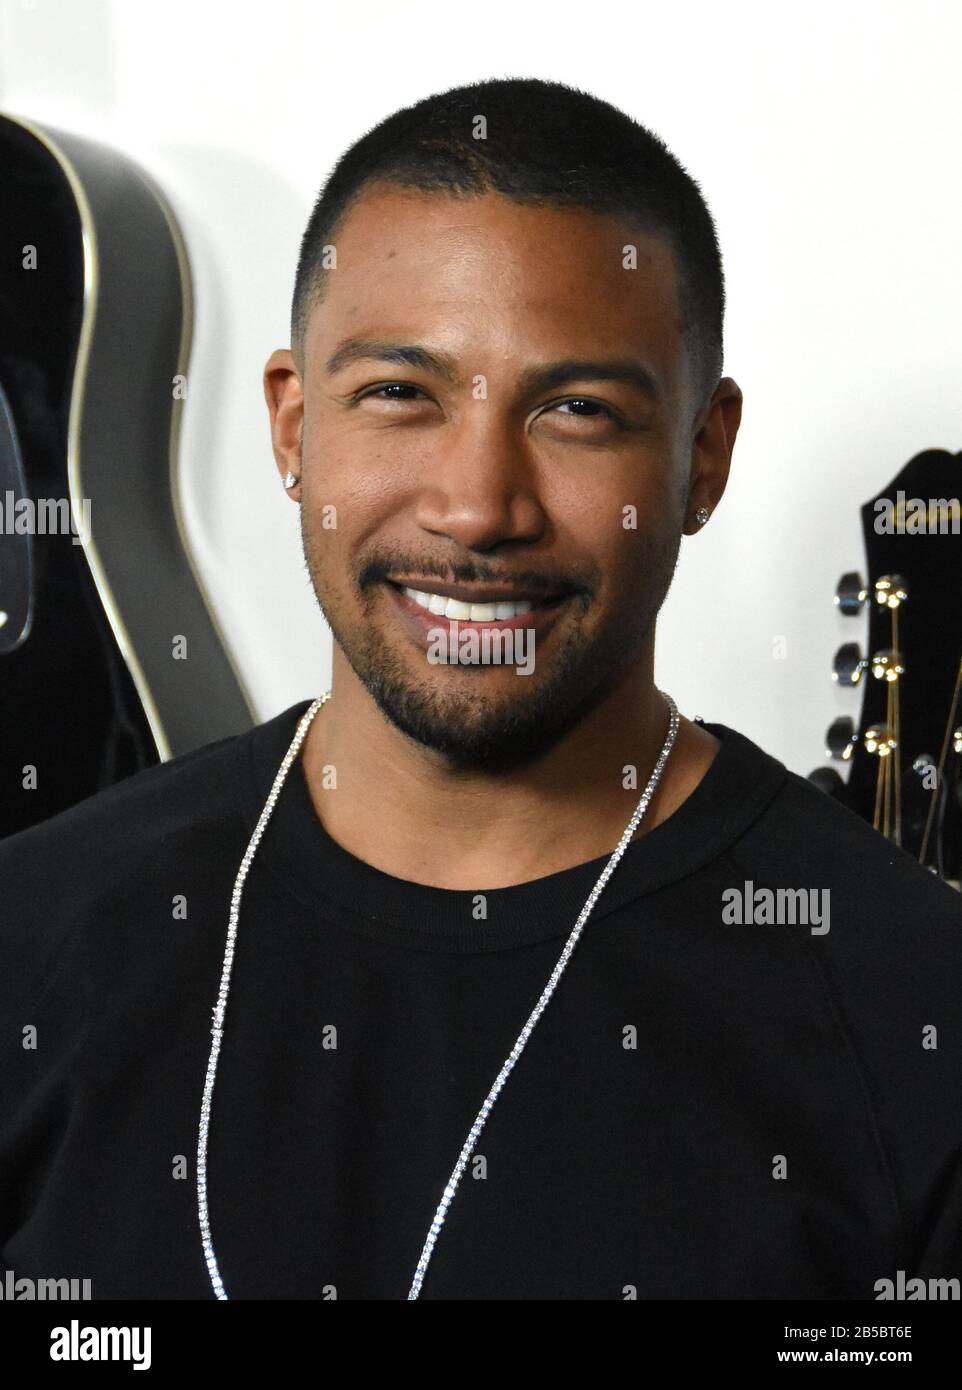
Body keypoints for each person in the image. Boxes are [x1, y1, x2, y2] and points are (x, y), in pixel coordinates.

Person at [1, 76, 959, 1303]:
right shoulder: (36, 938)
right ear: (293, 428)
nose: (476, 507)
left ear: (699, 459)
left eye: (574, 410)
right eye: (399, 393)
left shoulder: (911, 1008)